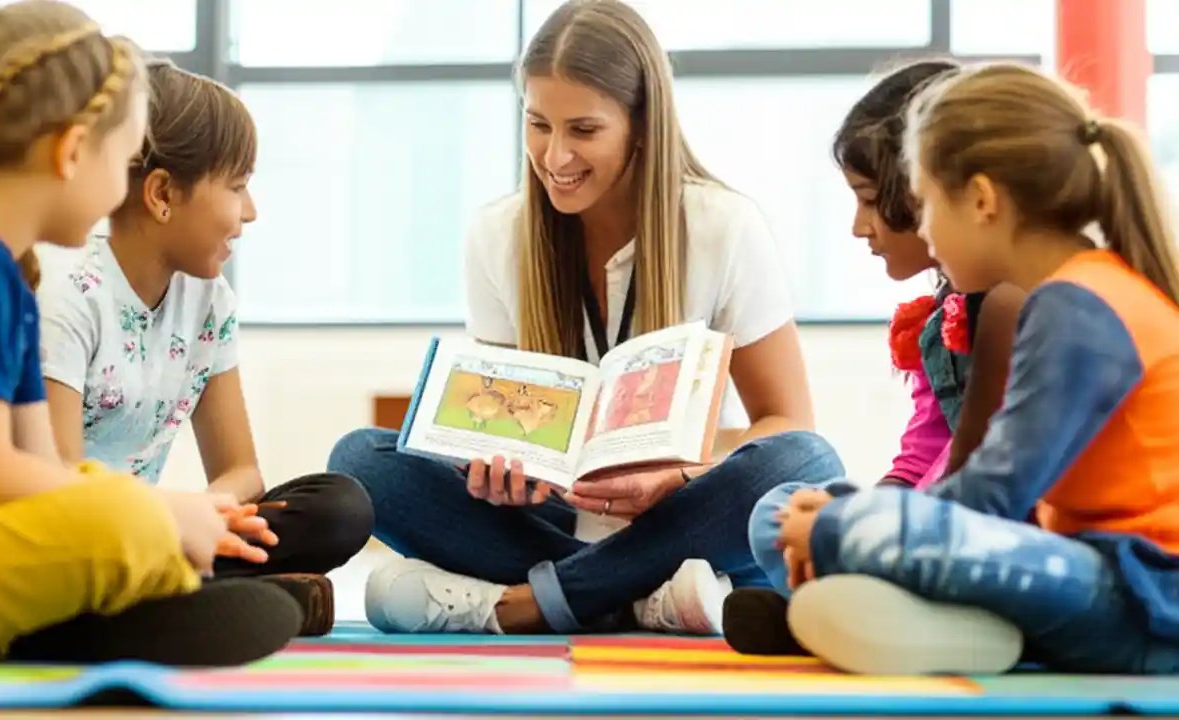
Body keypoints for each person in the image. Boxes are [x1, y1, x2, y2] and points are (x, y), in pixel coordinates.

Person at [328, 0, 842, 637]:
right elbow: (498, 423)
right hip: (565, 520)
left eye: (584, 130)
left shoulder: (723, 226)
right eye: (538, 124)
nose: (555, 156)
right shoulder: (497, 235)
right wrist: (496, 469)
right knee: (359, 459)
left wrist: (677, 478)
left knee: (807, 459)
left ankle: (526, 602)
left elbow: (787, 421)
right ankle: (640, 597)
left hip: (679, 514)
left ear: (642, 125)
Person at [0, 0, 300, 665]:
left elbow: (42, 463)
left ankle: (92, 619)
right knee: (133, 527)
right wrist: (156, 515)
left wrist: (171, 514)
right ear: (72, 151)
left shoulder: (6, 269)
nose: (122, 189)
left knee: (150, 533)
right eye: (123, 159)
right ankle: (93, 621)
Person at [776, 61, 1179, 676]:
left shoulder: (1078, 306)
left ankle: (933, 617)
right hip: (1100, 577)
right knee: (803, 514)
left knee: (853, 525)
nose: (924, 228)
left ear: (983, 201)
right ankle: (952, 627)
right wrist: (840, 517)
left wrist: (843, 527)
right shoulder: (1071, 295)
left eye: (926, 204)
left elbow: (993, 496)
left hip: (1147, 599)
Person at [37, 58, 374, 637]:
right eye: (237, 187)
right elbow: (59, 480)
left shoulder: (209, 302)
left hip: (161, 532)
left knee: (340, 507)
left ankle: (176, 586)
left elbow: (241, 470)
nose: (251, 211)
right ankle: (193, 593)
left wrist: (208, 512)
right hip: (75, 532)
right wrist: (169, 517)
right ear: (163, 193)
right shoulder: (70, 297)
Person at [723, 60, 1026, 656]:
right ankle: (851, 612)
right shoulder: (941, 321)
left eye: (869, 200)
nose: (858, 227)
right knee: (779, 511)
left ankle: (851, 617)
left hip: (981, 526)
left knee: (826, 512)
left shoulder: (1016, 307)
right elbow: (923, 452)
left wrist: (870, 523)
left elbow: (985, 476)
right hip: (932, 518)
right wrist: (860, 509)